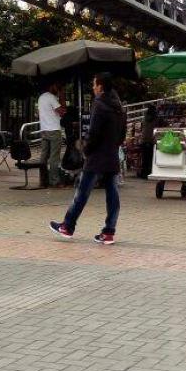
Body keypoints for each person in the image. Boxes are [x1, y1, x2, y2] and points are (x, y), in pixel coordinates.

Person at [50, 73, 126, 245]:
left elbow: (93, 132)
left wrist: (86, 148)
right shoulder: (118, 106)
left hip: (97, 157)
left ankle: (68, 226)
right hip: (112, 156)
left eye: (94, 84)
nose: (93, 88)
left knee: (82, 192)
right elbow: (122, 134)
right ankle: (108, 232)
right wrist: (114, 145)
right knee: (112, 194)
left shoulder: (99, 104)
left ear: (100, 86)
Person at [37, 82, 66, 187]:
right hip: (54, 130)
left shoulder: (41, 98)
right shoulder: (51, 98)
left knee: (44, 156)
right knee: (54, 157)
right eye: (56, 86)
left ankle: (43, 180)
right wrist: (62, 97)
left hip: (44, 130)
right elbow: (62, 112)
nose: (57, 89)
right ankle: (54, 180)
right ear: (51, 86)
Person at [137, 105, 158, 179]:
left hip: (144, 140)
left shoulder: (145, 118)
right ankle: (150, 172)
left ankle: (143, 173)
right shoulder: (155, 118)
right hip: (151, 140)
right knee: (151, 158)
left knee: (145, 158)